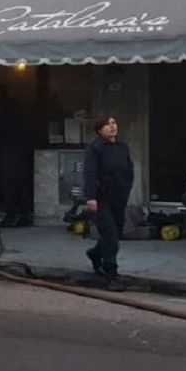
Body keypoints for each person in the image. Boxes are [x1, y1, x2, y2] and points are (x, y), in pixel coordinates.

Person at [83, 114, 135, 291]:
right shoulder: (95, 148)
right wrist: (90, 197)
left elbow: (129, 170)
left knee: (116, 232)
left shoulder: (122, 147)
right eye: (107, 124)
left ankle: (95, 254)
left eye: (113, 123)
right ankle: (110, 272)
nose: (112, 127)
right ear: (99, 130)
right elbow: (89, 174)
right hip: (101, 199)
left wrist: (127, 188)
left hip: (119, 197)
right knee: (110, 234)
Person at [0, 85, 34, 228]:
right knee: (20, 183)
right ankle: (24, 214)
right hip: (19, 149)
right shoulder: (16, 110)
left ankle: (12, 214)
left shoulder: (0, 110)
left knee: (9, 183)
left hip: (9, 149)